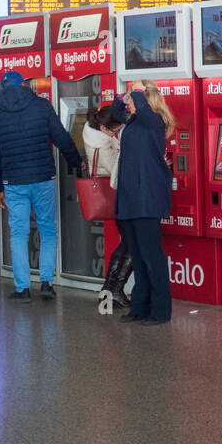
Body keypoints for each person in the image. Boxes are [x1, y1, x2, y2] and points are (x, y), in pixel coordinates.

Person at [0, 70, 84, 302]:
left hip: (13, 182)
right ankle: (47, 283)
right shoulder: (41, 106)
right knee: (48, 229)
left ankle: (22, 289)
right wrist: (76, 162)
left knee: (18, 233)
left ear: (3, 88)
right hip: (43, 178)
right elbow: (61, 137)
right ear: (25, 85)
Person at [114, 82, 174, 325]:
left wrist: (137, 92)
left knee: (151, 255)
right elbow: (116, 113)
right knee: (137, 256)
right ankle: (139, 306)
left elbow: (144, 111)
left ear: (145, 99)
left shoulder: (155, 122)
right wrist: (122, 96)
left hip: (147, 197)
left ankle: (160, 310)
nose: (129, 103)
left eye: (133, 98)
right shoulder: (133, 122)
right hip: (130, 197)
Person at [85, 104, 130, 308]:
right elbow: (117, 174)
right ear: (105, 129)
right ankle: (113, 289)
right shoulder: (102, 146)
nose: (118, 133)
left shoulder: (98, 134)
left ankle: (109, 290)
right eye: (116, 130)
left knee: (129, 241)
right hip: (116, 195)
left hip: (116, 196)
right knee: (131, 242)